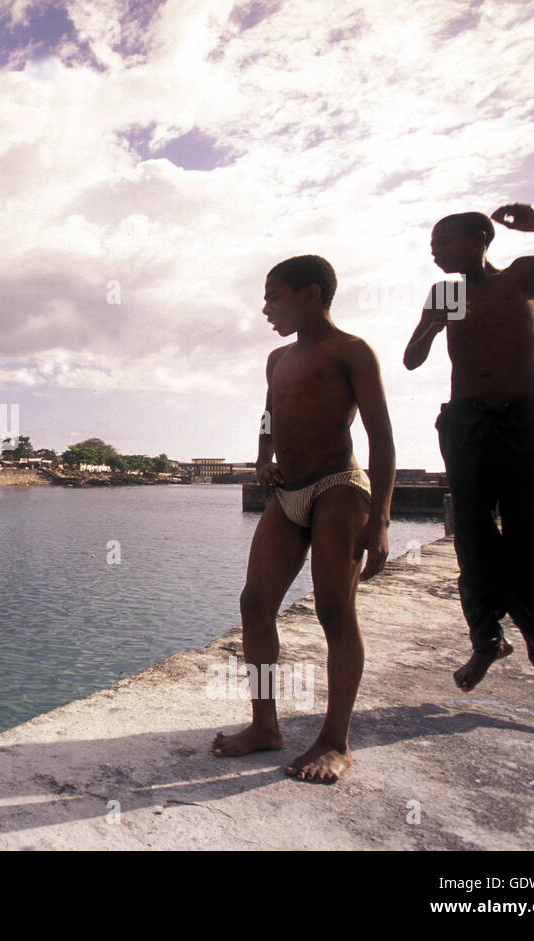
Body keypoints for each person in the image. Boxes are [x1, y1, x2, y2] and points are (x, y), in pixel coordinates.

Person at [405, 204, 534, 704]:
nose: (435, 251)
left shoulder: (523, 275)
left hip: (525, 417)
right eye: (432, 245)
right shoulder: (446, 294)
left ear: (482, 237)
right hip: (466, 420)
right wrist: (432, 326)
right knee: (472, 534)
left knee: (530, 532)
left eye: (445, 241)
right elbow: (411, 360)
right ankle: (487, 640)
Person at [213, 255, 395, 784]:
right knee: (254, 605)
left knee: (335, 611)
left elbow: (381, 436)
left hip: (338, 486)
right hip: (287, 491)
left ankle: (336, 740)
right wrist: (263, 456)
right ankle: (265, 725)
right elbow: (270, 412)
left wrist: (380, 518)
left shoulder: (352, 352)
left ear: (311, 295)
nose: (265, 307)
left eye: (274, 296)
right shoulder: (276, 359)